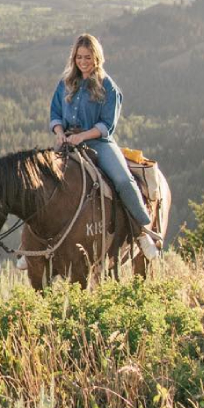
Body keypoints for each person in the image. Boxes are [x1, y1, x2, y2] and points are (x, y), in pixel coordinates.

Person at [40, 33, 160, 268]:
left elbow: (107, 125)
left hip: (98, 143)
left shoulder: (108, 87)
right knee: (40, 181)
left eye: (88, 57)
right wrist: (59, 132)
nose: (83, 62)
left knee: (123, 181)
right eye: (79, 57)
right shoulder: (65, 83)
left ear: (96, 58)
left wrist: (82, 136)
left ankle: (141, 231)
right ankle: (34, 244)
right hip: (67, 142)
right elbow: (55, 113)